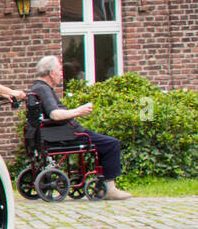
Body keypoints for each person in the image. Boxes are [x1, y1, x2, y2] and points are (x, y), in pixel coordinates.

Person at [29, 55, 132, 200]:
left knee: (105, 142)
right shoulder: (43, 89)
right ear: (51, 73)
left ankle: (105, 184)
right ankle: (109, 188)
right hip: (69, 134)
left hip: (63, 132)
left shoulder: (38, 88)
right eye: (59, 70)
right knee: (111, 144)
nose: (62, 73)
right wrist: (80, 110)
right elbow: (55, 114)